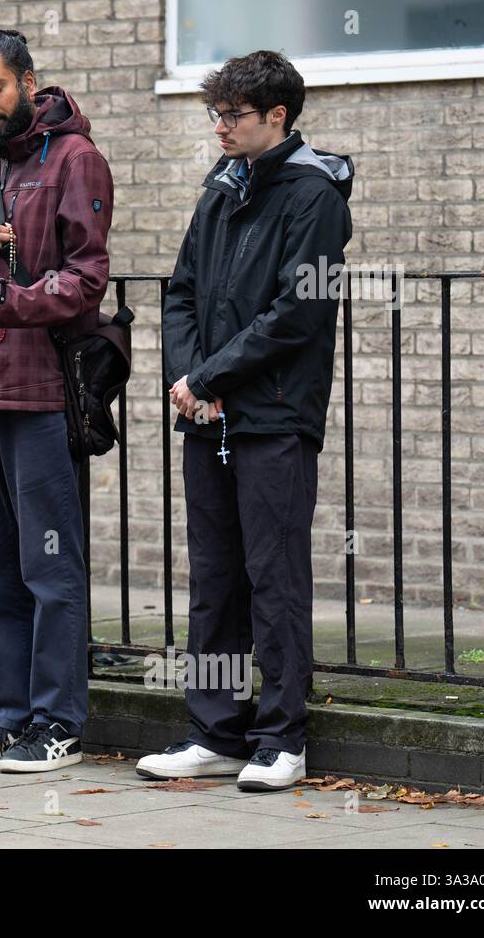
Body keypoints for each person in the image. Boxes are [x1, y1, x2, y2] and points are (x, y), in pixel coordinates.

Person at [138, 51, 353, 791]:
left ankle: (282, 740)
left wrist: (210, 374)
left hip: (275, 419)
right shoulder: (221, 188)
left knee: (275, 578)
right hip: (209, 415)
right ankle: (215, 730)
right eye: (216, 114)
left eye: (233, 116)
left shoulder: (315, 197)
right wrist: (187, 377)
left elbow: (297, 314)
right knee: (214, 579)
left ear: (278, 118)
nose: (220, 128)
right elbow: (182, 290)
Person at [0, 31, 113, 773]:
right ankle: (8, 719)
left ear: (28, 83)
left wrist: (9, 298)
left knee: (50, 569)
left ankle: (58, 723)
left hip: (39, 394)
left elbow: (87, 281)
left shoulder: (76, 159)